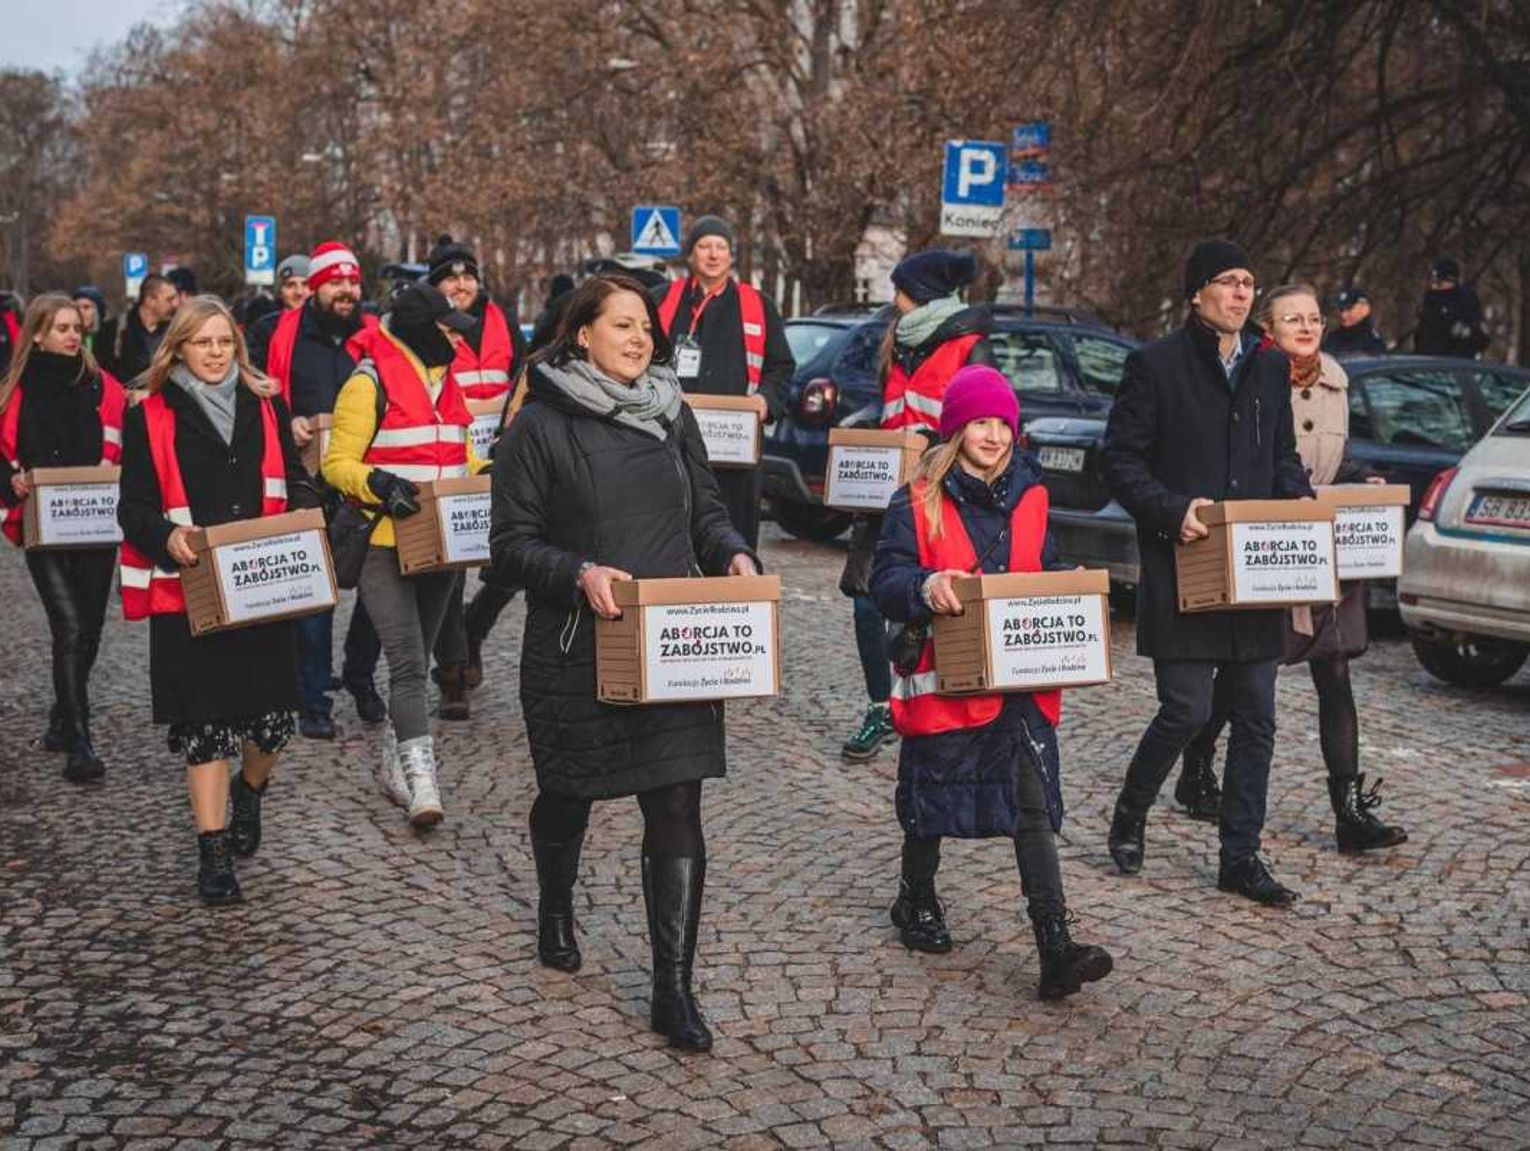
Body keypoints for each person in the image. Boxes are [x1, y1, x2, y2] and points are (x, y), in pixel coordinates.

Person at [491, 274, 757, 1053]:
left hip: (671, 645)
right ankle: (554, 901)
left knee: (677, 803)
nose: (640, 339)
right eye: (623, 325)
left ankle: (673, 988)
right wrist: (580, 573)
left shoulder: (673, 412)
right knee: (568, 796)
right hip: (579, 647)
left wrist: (734, 553)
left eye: (646, 326)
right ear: (582, 334)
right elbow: (508, 545)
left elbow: (706, 511)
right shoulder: (537, 427)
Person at [868, 365, 1112, 998]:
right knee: (930, 798)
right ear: (956, 430)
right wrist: (925, 586)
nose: (993, 435)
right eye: (979, 422)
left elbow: (1043, 564)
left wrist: (1066, 585)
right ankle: (915, 896)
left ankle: (1054, 943)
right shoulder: (916, 499)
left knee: (1032, 806)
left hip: (1019, 684)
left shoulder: (1033, 495)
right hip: (945, 684)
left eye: (1001, 423)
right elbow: (884, 579)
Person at [1102, 239, 1313, 907]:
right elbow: (1122, 462)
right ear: (1197, 293)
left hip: (1253, 571)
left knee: (1256, 716)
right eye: (1228, 281)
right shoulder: (1154, 366)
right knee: (1187, 709)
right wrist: (1171, 511)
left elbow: (1281, 456)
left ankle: (1240, 856)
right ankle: (1131, 811)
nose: (1243, 292)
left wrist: (1300, 504)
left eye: (1250, 281)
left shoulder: (1270, 367)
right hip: (1183, 561)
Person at [1174, 285, 1408, 854]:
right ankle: (1197, 762)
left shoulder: (1337, 382)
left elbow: (1328, 452)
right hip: (1271, 546)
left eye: (1313, 318)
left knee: (1335, 674)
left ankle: (1349, 813)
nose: (1306, 327)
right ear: (1267, 329)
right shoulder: (1250, 378)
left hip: (1326, 545)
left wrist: (1362, 475)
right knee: (1244, 680)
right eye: (1291, 319)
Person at [117, 296, 317, 905]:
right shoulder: (149, 411)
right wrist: (166, 536)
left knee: (274, 723)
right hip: (190, 591)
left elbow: (294, 476)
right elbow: (133, 508)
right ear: (177, 347)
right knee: (204, 729)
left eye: (223, 342)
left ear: (237, 346)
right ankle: (212, 854)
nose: (213, 353)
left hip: (262, 588)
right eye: (201, 342)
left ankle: (250, 793)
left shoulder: (266, 402)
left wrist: (311, 507)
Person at [322, 282, 488, 829]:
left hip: (441, 544)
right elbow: (336, 464)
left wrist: (489, 480)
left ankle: (396, 761)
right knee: (409, 662)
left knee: (419, 661)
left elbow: (462, 455)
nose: (454, 339)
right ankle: (422, 780)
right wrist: (378, 482)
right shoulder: (367, 382)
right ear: (419, 329)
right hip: (381, 543)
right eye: (445, 329)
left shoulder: (450, 384)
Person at [841, 250, 996, 762]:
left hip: (936, 494)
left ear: (924, 295)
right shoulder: (898, 344)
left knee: (923, 605)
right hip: (883, 492)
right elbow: (891, 410)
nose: (893, 300)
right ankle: (880, 706)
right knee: (865, 599)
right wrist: (859, 436)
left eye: (901, 291)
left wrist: (933, 453)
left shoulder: (969, 347)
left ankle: (937, 705)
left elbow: (982, 421)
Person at [249, 241, 386, 738]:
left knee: (378, 585)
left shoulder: (376, 336)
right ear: (314, 287)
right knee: (313, 591)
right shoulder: (273, 333)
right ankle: (312, 699)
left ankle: (359, 673)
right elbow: (253, 394)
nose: (347, 291)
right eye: (336, 282)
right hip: (302, 481)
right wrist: (285, 423)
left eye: (353, 282)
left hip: (366, 480)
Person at [0, 295, 127, 783]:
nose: (73, 336)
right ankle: (80, 738)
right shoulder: (15, 391)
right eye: (61, 328)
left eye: (76, 327)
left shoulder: (101, 386)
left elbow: (132, 427)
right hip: (44, 524)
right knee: (70, 627)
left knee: (90, 629)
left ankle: (60, 716)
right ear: (36, 334)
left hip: (95, 522)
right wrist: (10, 480)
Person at [421, 234, 528, 719]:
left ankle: (475, 626)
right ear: (436, 284)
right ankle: (453, 674)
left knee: (514, 556)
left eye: (467, 275)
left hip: (503, 453)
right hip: (450, 452)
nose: (461, 284)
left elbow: (524, 375)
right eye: (450, 277)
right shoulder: (427, 325)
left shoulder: (502, 319)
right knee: (451, 568)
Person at [651, 215, 795, 548]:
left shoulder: (758, 305)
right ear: (690, 255)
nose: (713, 255)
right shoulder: (661, 300)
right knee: (671, 531)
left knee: (733, 537)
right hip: (670, 441)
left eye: (721, 247)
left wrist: (766, 401)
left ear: (731, 256)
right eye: (704, 246)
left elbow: (781, 366)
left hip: (736, 450)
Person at [98, 274, 179, 383]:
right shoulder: (114, 330)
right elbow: (102, 375)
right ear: (150, 300)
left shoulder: (175, 332)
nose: (175, 304)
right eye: (169, 300)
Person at [1414, 258, 1490, 358]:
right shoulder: (1430, 300)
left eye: (1439, 282)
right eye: (1433, 282)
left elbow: (1482, 338)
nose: (1435, 286)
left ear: (1452, 280)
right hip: (1428, 362)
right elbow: (1423, 335)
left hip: (1455, 363)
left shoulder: (1465, 301)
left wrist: (1461, 331)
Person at [1322, 288, 1385, 356]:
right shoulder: (1333, 337)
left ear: (1363, 309)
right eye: (1341, 309)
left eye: (1349, 309)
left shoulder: (1372, 341)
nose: (1343, 315)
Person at [71, 287, 109, 354]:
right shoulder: (69, 338)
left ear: (98, 311)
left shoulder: (109, 339)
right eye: (76, 307)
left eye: (86, 307)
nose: (80, 311)